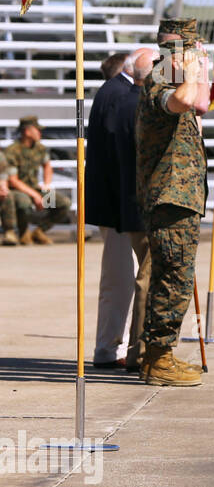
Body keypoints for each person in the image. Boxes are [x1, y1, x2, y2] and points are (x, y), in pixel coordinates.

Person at [136, 18, 210, 387]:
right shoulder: (160, 82)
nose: (199, 59)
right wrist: (191, 71)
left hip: (180, 198)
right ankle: (158, 359)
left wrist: (197, 71)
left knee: (175, 278)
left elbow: (202, 103)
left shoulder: (174, 78)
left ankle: (158, 356)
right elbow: (183, 101)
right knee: (172, 280)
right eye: (193, 52)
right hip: (170, 197)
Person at [87, 50, 153, 370]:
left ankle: (112, 345)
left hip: (117, 203)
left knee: (122, 279)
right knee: (120, 280)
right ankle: (110, 347)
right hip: (119, 205)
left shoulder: (113, 93)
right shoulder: (118, 94)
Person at [3, 116, 72, 244]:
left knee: (63, 203)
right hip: (17, 191)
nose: (40, 133)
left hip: (35, 188)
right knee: (24, 203)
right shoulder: (12, 151)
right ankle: (24, 233)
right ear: (27, 131)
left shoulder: (39, 148)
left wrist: (46, 184)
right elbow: (13, 180)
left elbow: (47, 166)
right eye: (37, 130)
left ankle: (40, 230)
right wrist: (35, 195)